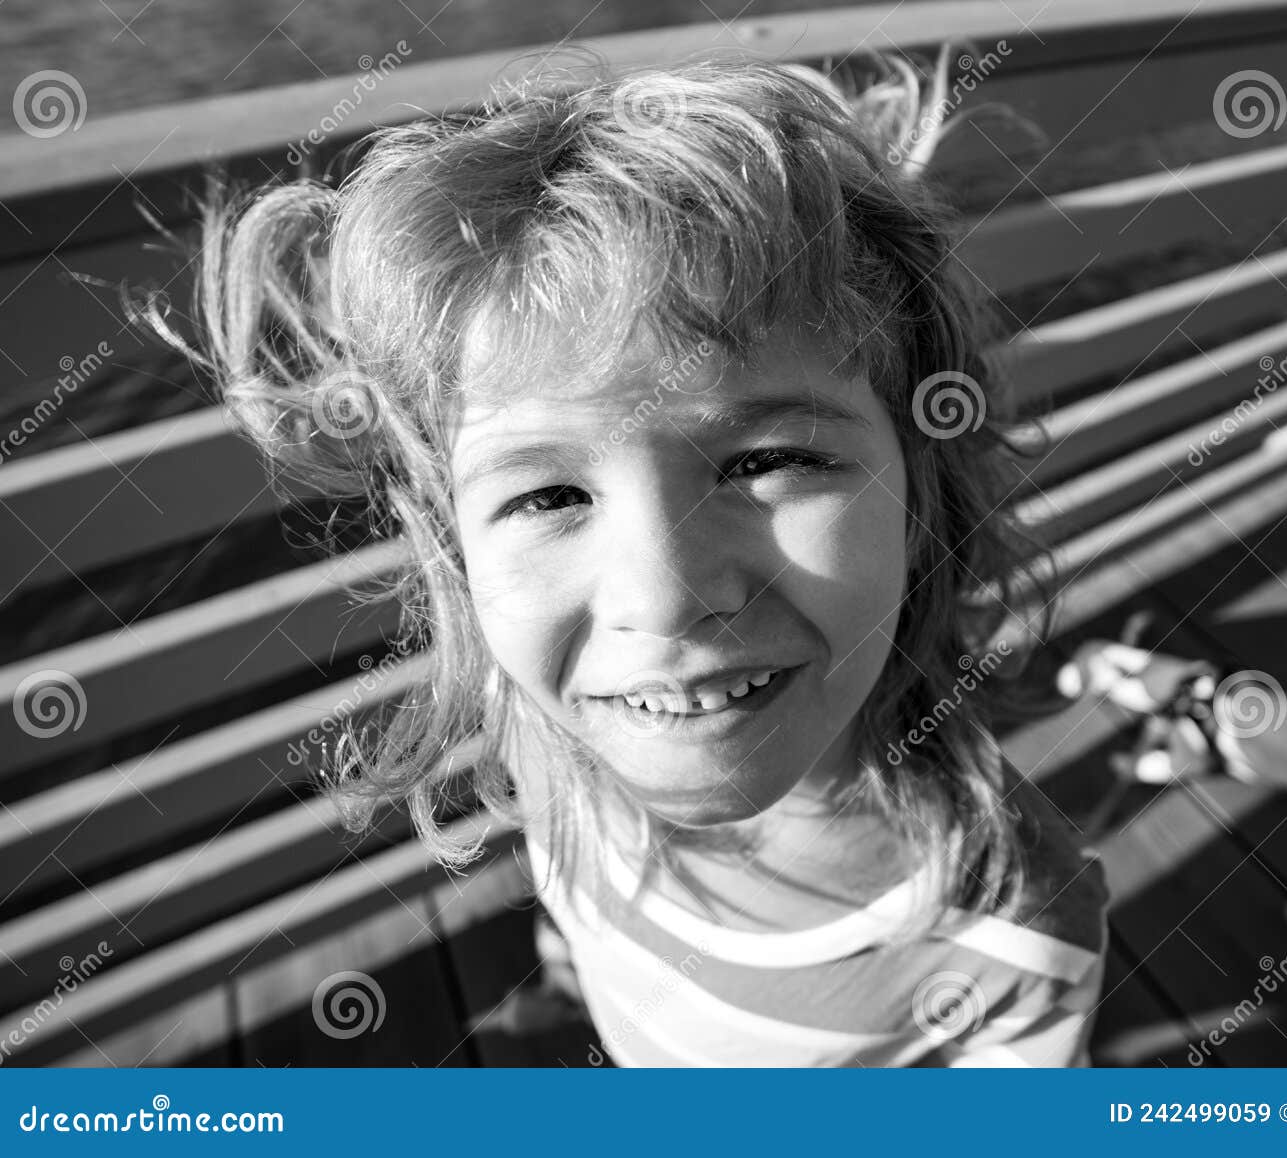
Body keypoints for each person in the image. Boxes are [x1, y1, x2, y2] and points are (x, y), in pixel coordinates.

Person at [171, 42, 1110, 1066]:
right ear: (458, 557)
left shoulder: (1014, 926)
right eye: (549, 494)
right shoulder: (549, 726)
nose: (661, 601)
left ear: (921, 493)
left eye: (770, 458)